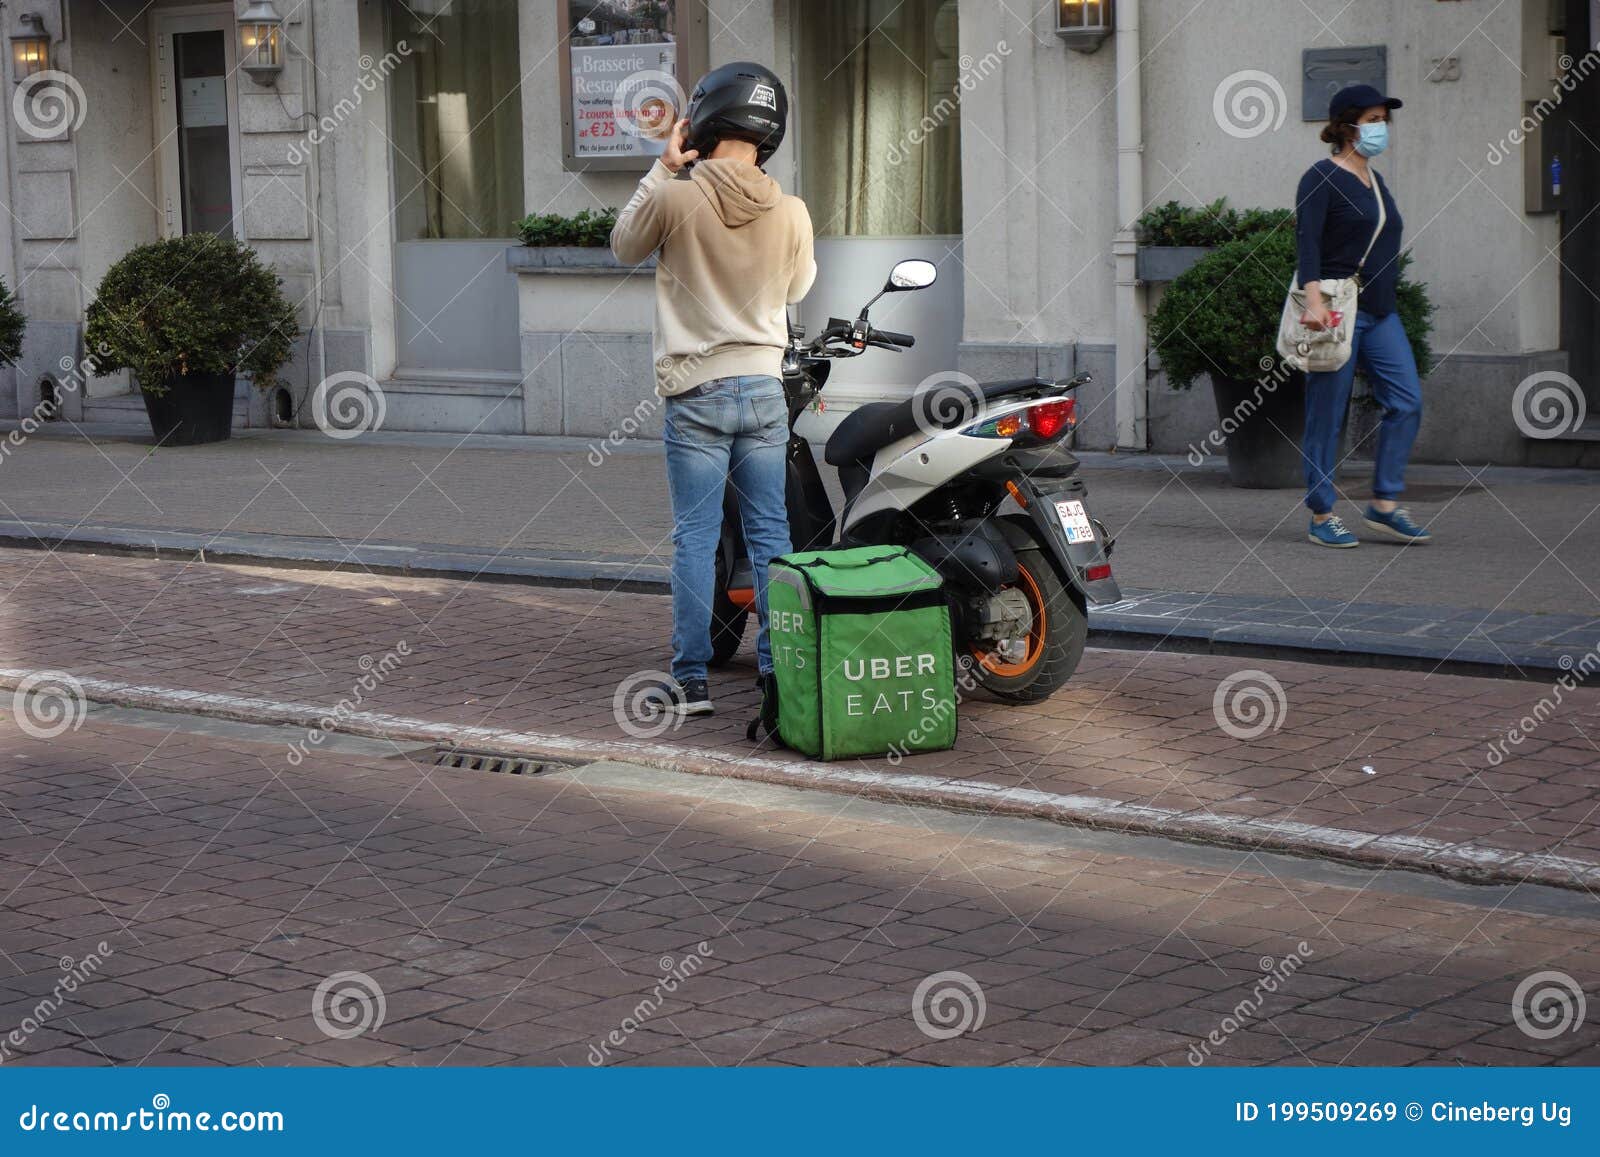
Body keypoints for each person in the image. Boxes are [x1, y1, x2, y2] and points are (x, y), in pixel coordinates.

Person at [611, 62, 816, 715]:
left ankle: (692, 681)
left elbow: (623, 245)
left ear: (706, 121)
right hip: (761, 390)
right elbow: (798, 290)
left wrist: (663, 167)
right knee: (771, 533)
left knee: (696, 538)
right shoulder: (792, 211)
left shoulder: (676, 197)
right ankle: (779, 671)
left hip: (695, 391)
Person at [1294, 83, 1429, 548]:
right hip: (1335, 310)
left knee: (1406, 400)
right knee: (1326, 416)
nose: (1381, 128)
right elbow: (1307, 241)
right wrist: (1313, 300)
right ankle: (1321, 513)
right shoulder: (1320, 177)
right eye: (1372, 120)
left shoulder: (1375, 181)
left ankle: (1384, 505)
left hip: (1379, 311)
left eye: (1383, 120)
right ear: (1347, 126)